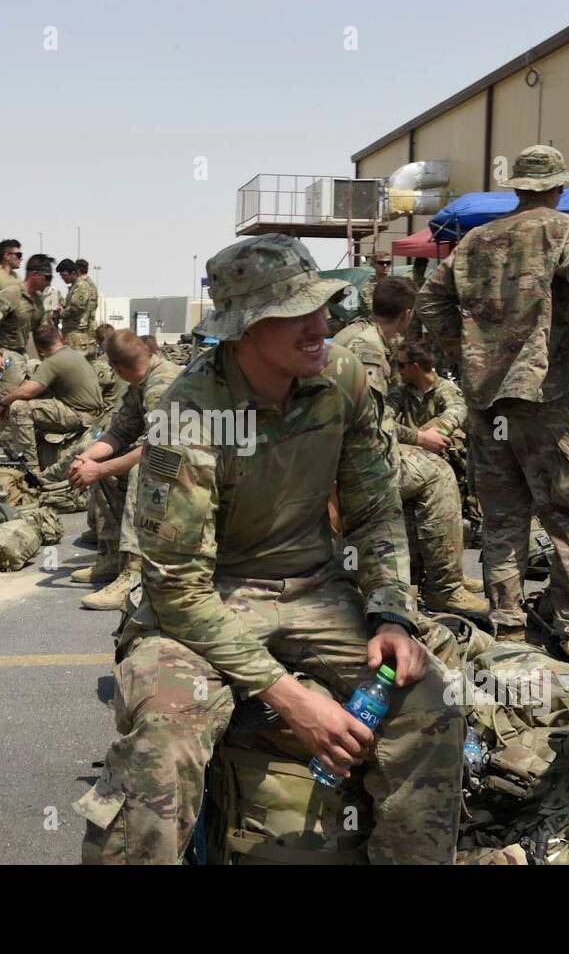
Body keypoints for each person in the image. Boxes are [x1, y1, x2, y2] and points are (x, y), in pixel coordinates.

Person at [74, 233, 463, 865]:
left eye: (320, 306)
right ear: (243, 331)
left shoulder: (344, 378)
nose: (319, 324)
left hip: (317, 590)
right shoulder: (187, 417)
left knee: (433, 701)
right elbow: (177, 591)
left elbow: (374, 506)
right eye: (293, 314)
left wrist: (391, 612)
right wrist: (289, 696)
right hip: (202, 611)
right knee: (161, 745)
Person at [416, 144, 569, 666]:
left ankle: (508, 629)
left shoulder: (474, 240)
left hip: (487, 401)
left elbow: (430, 301)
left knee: (502, 519)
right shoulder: (566, 230)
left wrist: (469, 353)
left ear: (518, 187)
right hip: (547, 395)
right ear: (558, 187)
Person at [336, 276, 485, 613]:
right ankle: (445, 587)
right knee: (437, 473)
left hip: (343, 456)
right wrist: (420, 438)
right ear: (407, 314)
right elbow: (373, 421)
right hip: (355, 464)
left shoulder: (356, 337)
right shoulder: (369, 350)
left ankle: (433, 576)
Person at [68, 330, 181, 610]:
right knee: (102, 467)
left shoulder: (161, 384)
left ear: (117, 368)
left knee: (139, 472)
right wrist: (87, 459)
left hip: (199, 461)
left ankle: (133, 575)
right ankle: (111, 556)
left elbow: (155, 449)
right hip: (170, 452)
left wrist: (99, 469)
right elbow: (120, 431)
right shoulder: (140, 382)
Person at [0, 324, 102, 469]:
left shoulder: (53, 361)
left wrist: (4, 402)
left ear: (39, 348)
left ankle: (29, 467)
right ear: (60, 337)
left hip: (80, 415)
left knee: (19, 408)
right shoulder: (73, 355)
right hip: (92, 413)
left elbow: (28, 391)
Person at [0, 255, 53, 429]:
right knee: (8, 399)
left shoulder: (38, 301)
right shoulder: (12, 294)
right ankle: (8, 444)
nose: (49, 282)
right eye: (47, 277)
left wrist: (49, 357)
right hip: (5, 353)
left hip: (23, 354)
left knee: (30, 398)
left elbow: (42, 332)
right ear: (34, 274)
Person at [55, 258, 99, 352]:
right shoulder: (74, 286)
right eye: (61, 276)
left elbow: (76, 308)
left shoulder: (81, 286)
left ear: (74, 273)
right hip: (72, 332)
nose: (63, 278)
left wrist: (61, 313)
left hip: (77, 333)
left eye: (65, 275)